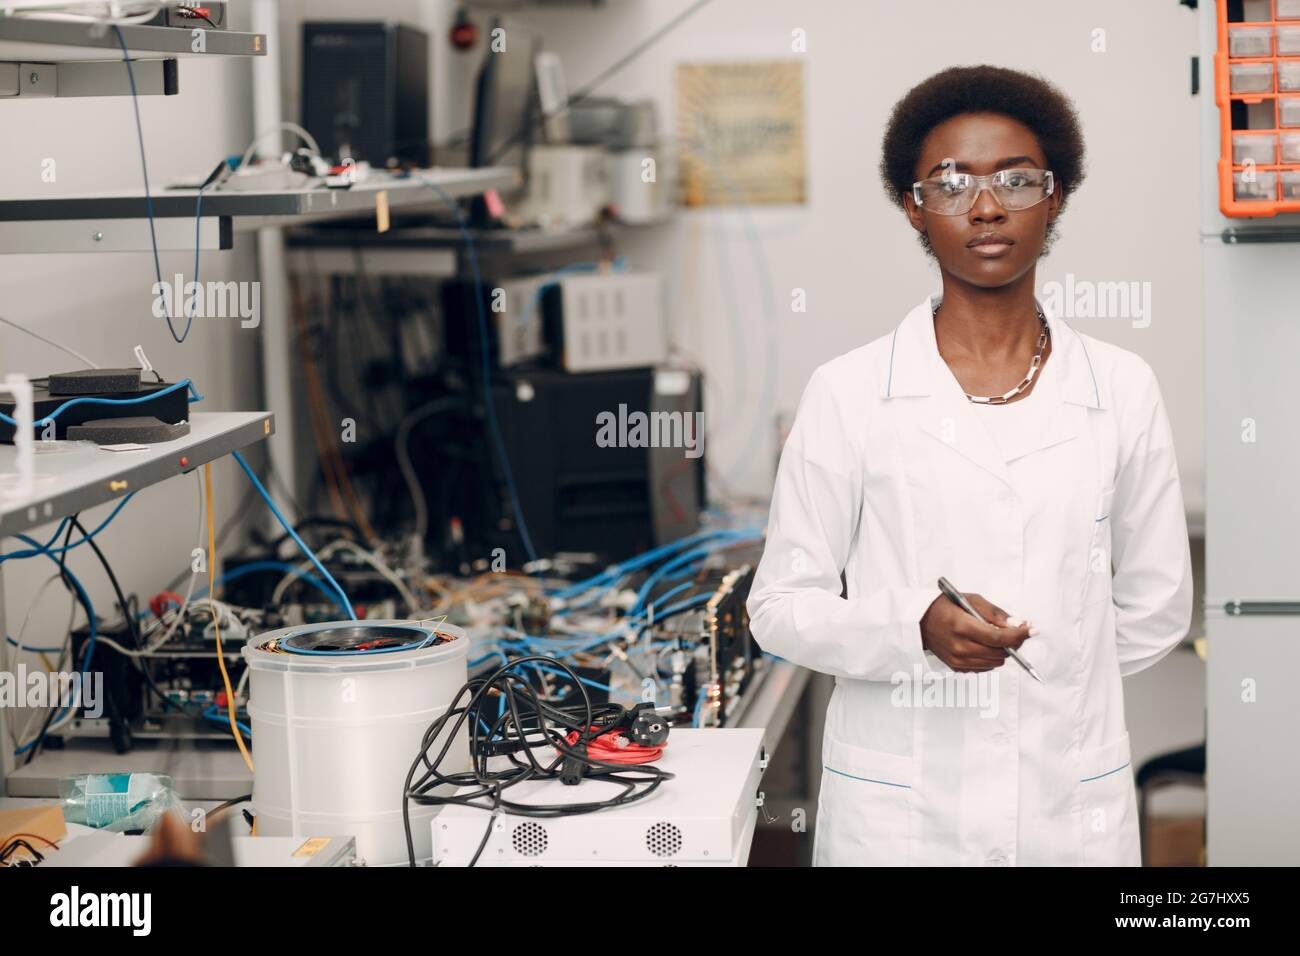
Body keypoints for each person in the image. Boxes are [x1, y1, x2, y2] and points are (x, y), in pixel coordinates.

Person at [747, 65, 1193, 866]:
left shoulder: (1121, 388)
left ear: (1055, 196)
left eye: (1016, 180)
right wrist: (912, 628)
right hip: (900, 815)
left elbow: (1157, 605)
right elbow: (779, 607)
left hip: (1069, 796)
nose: (986, 206)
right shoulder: (848, 394)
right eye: (951, 184)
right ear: (913, 207)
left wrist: (1051, 671)